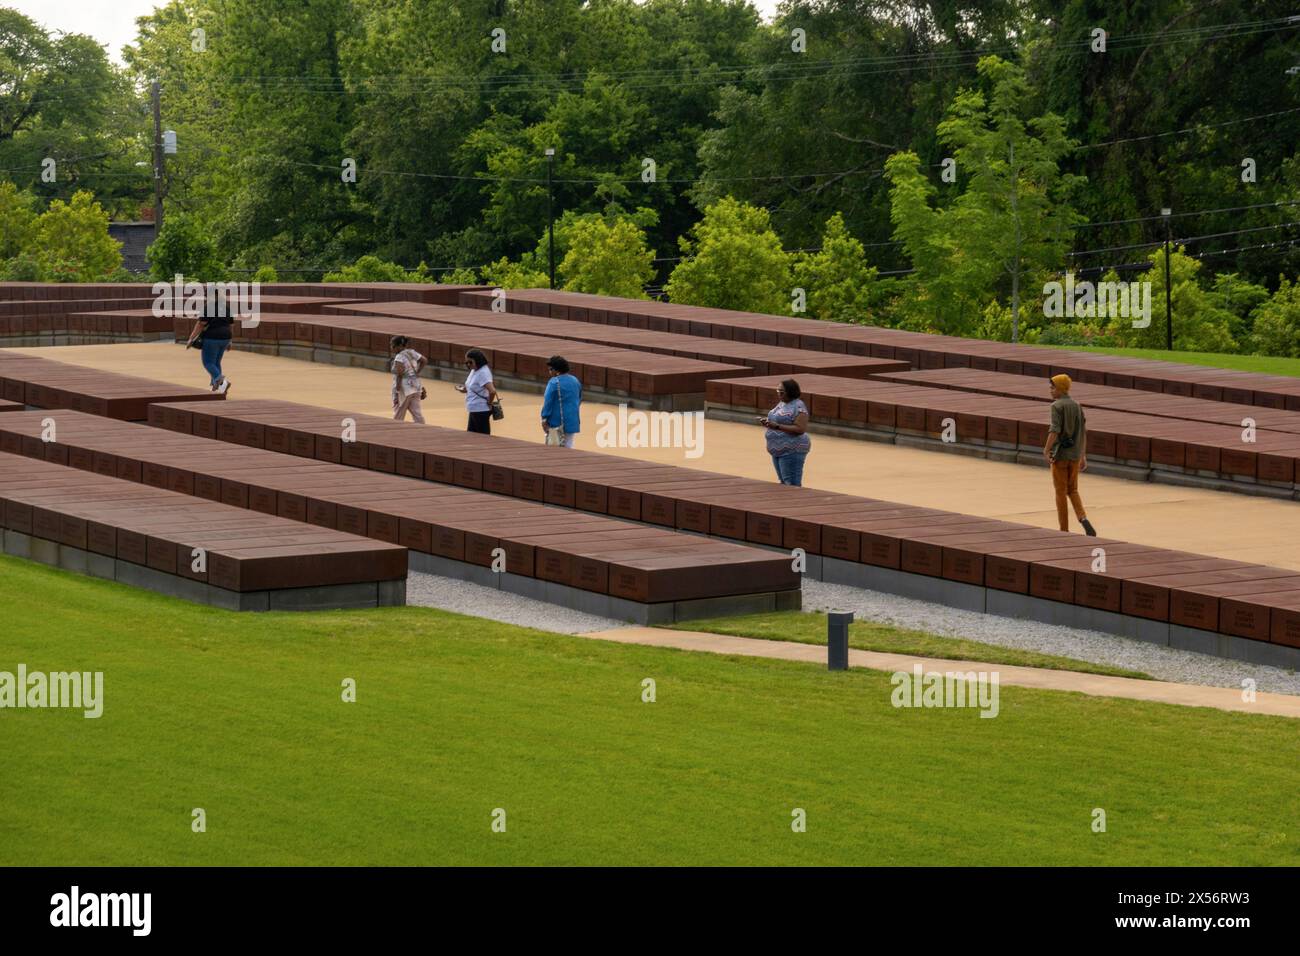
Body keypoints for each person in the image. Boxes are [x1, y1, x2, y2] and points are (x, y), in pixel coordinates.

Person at [1044, 373, 1096, 536]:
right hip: (1075, 455)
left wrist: (1046, 450)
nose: (1050, 391)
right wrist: (1083, 454)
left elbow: (1055, 430)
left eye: (1053, 388)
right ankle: (1083, 518)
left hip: (1060, 455)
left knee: (1060, 492)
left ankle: (1064, 529)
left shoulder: (1056, 406)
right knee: (1073, 490)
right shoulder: (1077, 405)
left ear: (1060, 389)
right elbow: (1083, 432)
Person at [759, 378, 811, 486]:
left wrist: (777, 426)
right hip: (777, 450)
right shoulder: (782, 403)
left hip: (792, 449)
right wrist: (767, 422)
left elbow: (800, 429)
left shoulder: (798, 406)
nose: (779, 394)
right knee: (783, 482)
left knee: (791, 483)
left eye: (782, 392)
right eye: (778, 391)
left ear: (790, 391)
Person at [184, 291, 234, 394]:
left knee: (208, 362)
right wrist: (230, 341)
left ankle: (221, 381)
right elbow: (231, 325)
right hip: (225, 337)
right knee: (216, 362)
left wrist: (191, 339)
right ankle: (218, 388)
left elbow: (200, 324)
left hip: (212, 337)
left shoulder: (208, 307)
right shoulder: (226, 307)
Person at [540, 355, 582, 447]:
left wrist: (544, 419)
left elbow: (548, 402)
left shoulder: (554, 382)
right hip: (572, 420)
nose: (549, 372)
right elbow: (579, 399)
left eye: (551, 369)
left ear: (557, 370)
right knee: (569, 444)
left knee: (554, 446)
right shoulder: (575, 380)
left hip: (557, 421)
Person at [454, 348, 498, 434]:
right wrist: (464, 390)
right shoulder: (474, 370)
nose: (468, 365)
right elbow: (472, 386)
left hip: (481, 410)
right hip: (474, 409)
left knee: (483, 436)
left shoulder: (483, 373)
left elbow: (492, 391)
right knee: (472, 436)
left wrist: (489, 403)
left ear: (478, 360)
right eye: (466, 363)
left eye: (470, 362)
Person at [390, 335, 427, 423]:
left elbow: (400, 373)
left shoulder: (399, 357)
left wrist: (397, 390)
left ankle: (396, 431)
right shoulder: (412, 352)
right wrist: (417, 372)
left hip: (404, 389)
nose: (391, 348)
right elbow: (424, 360)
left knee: (399, 413)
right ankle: (422, 429)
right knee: (417, 413)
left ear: (399, 346)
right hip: (416, 386)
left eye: (393, 346)